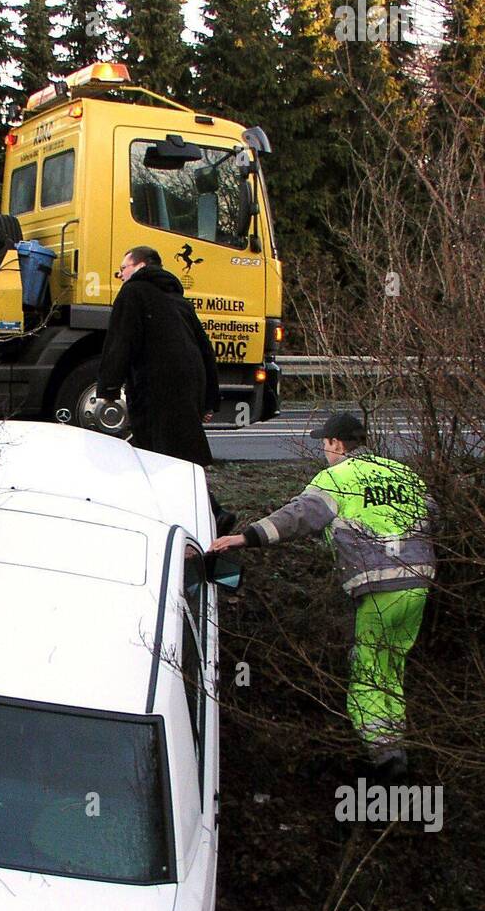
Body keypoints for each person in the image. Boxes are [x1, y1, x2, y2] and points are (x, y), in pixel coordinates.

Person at [209, 412, 437, 782]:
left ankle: (386, 759)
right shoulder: (404, 473)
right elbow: (431, 515)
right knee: (390, 664)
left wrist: (245, 537)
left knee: (368, 670)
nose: (324, 451)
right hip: (418, 580)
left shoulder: (334, 479)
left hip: (377, 586)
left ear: (336, 445)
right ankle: (395, 741)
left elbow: (298, 517)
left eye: (325, 444)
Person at [96, 245, 236, 534]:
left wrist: (108, 388)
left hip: (155, 387)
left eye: (123, 268)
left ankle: (204, 516)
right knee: (177, 456)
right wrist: (209, 399)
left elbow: (120, 341)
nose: (120, 275)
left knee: (161, 458)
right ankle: (207, 513)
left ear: (139, 266)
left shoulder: (134, 293)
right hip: (187, 386)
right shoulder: (177, 300)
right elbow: (204, 348)